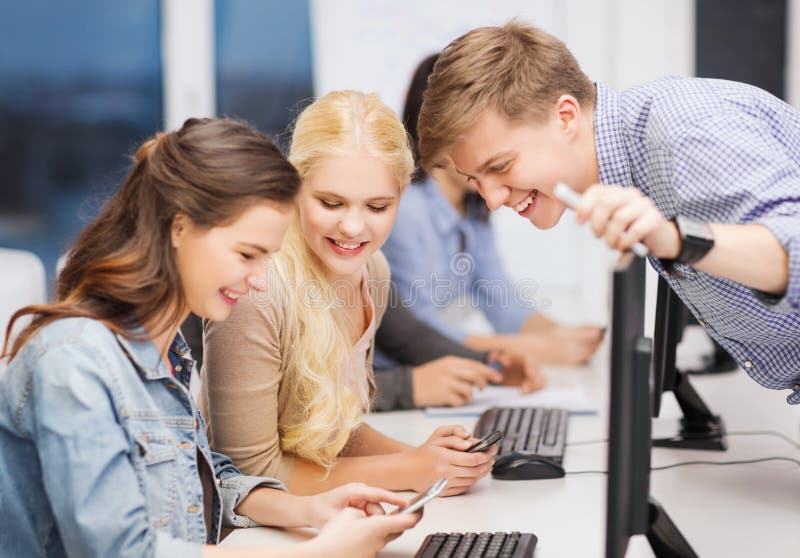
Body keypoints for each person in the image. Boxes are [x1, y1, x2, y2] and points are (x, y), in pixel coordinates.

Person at [0, 118, 419, 558]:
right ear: (179, 228)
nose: (259, 281)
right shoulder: (75, 363)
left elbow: (205, 479)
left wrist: (311, 509)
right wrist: (315, 554)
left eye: (268, 258)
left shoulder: (168, 353)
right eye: (247, 254)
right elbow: (121, 551)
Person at [416, 22, 800, 404]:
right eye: (474, 178)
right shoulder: (637, 162)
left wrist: (676, 240)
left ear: (564, 116)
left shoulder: (684, 131)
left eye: (500, 166)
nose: (493, 200)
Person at [200, 91, 497, 497]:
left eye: (377, 207)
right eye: (330, 203)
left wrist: (429, 461)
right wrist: (409, 469)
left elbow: (334, 429)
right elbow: (248, 473)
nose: (353, 228)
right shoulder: (257, 290)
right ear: (294, 187)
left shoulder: (371, 272)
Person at [376, 53, 603, 379]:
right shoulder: (406, 211)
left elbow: (501, 299)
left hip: (447, 368)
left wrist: (566, 335)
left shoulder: (475, 205)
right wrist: (542, 349)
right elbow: (419, 332)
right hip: (407, 375)